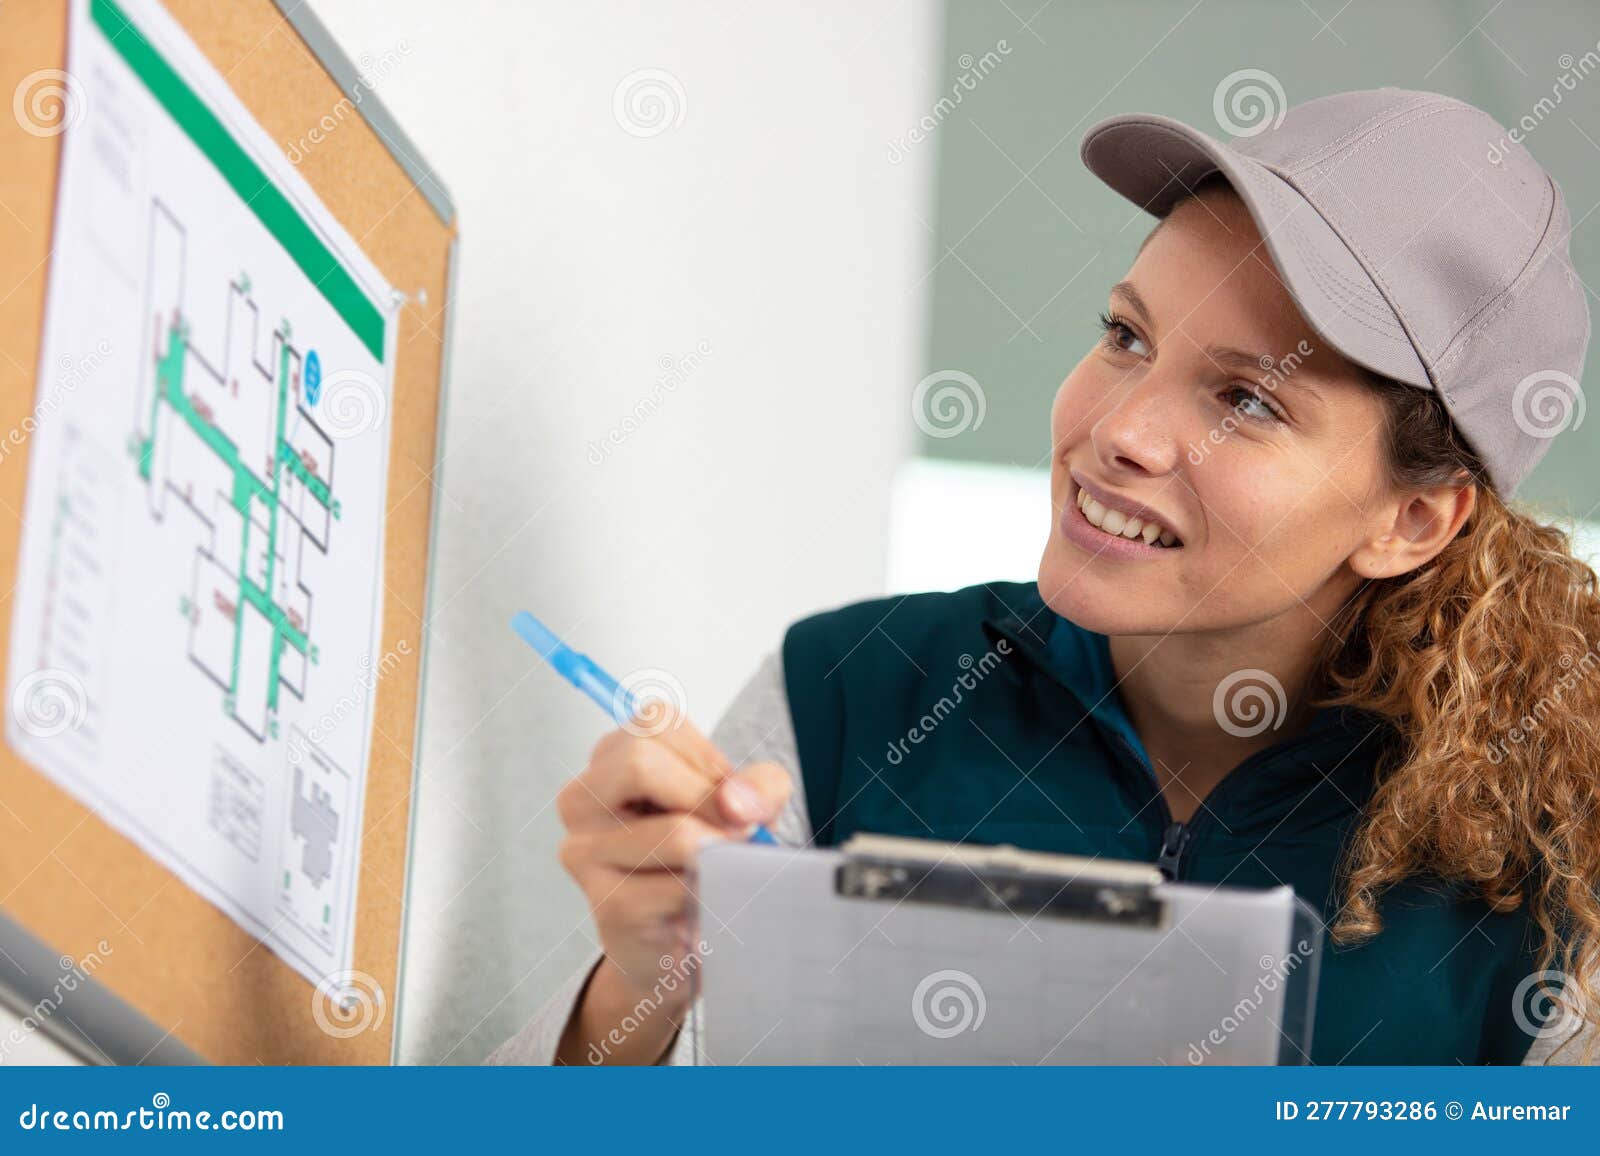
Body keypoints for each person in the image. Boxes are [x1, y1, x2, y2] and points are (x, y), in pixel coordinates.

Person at [489, 88, 1599, 1066]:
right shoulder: (846, 695)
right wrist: (639, 989)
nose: (1117, 430)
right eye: (1126, 336)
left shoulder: (1556, 872)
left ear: (1412, 519)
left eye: (1247, 400)